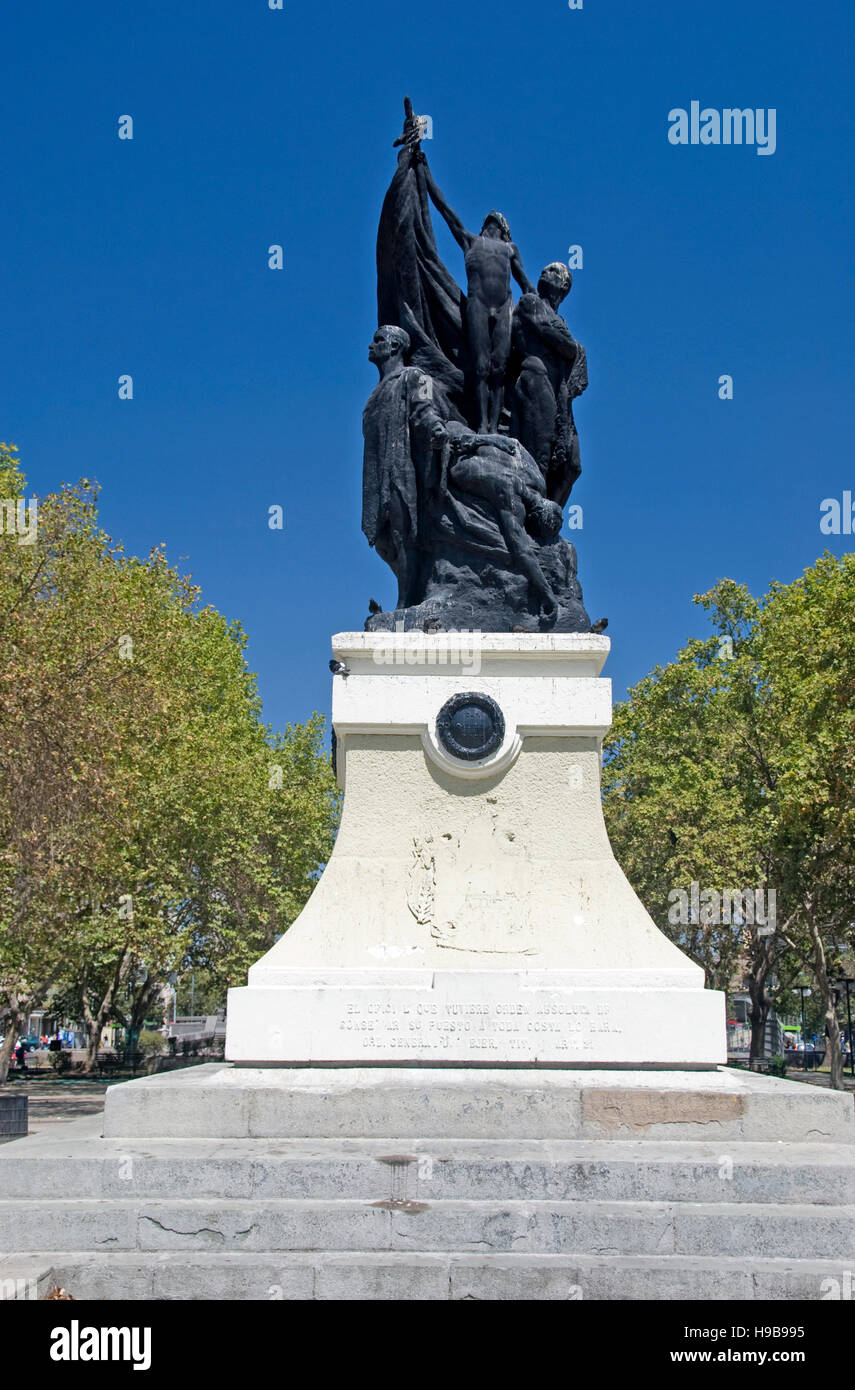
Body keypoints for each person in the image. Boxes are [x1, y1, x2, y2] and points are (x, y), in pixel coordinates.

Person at [419, 155, 534, 433]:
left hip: (504, 306)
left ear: (504, 232)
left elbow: (527, 287)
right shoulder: (471, 241)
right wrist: (424, 169)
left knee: (499, 369)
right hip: (478, 306)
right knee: (481, 368)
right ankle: (483, 424)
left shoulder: (510, 249)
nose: (493, 220)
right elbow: (444, 209)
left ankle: (494, 427)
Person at [510, 262, 587, 506]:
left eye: (553, 271)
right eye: (544, 270)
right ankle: (533, 513)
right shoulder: (530, 302)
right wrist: (569, 345)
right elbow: (562, 342)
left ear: (563, 285)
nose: (545, 272)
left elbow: (566, 345)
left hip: (560, 395)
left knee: (572, 465)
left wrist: (568, 345)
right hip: (536, 378)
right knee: (538, 455)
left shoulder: (559, 318)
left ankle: (550, 514)